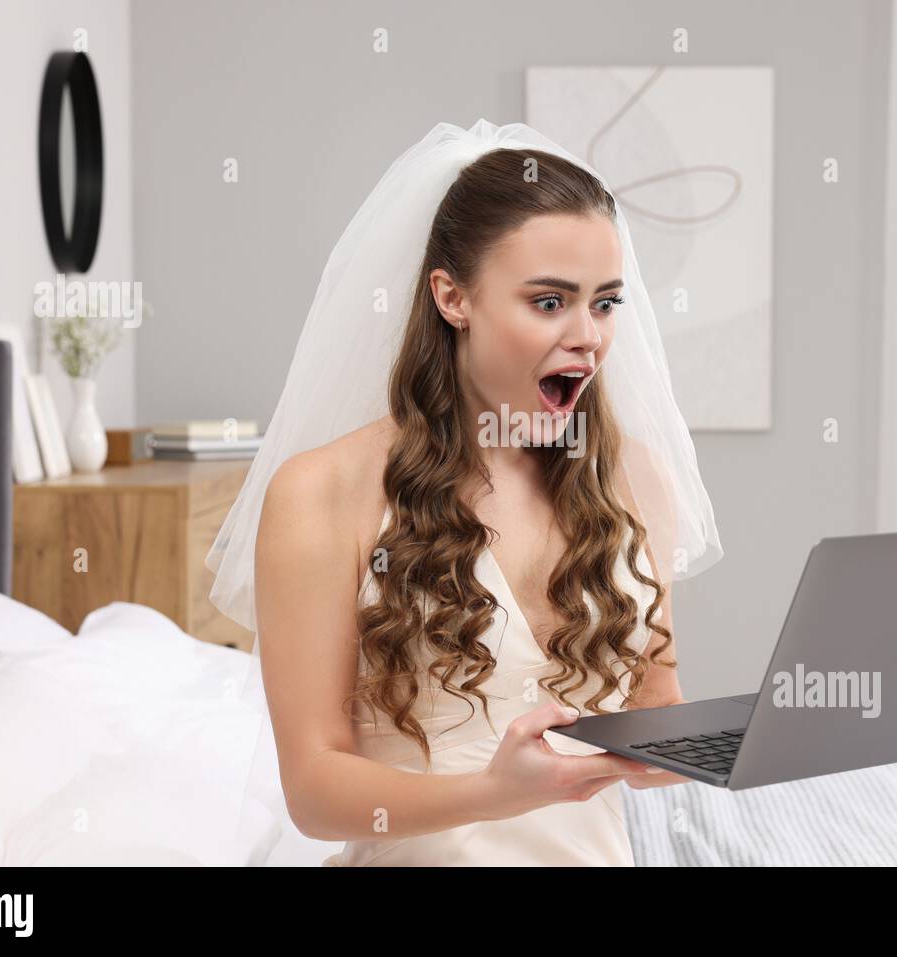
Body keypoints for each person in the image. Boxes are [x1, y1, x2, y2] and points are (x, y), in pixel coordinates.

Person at [207, 119, 722, 866]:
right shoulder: (323, 493)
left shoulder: (634, 479)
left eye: (605, 302)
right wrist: (496, 790)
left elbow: (653, 705)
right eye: (550, 302)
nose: (590, 336)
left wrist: (744, 733)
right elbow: (314, 790)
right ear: (453, 297)